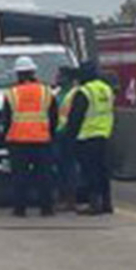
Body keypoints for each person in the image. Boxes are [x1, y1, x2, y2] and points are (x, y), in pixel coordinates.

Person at [1, 56, 58, 218]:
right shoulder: (46, 92)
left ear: (18, 74)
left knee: (20, 177)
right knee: (44, 177)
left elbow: (6, 118)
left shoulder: (12, 93)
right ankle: (46, 209)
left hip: (18, 142)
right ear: (33, 72)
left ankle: (20, 209)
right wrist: (50, 135)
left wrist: (6, 138)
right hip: (42, 141)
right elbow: (54, 117)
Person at [63, 61, 116, 214]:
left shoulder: (84, 92)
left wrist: (69, 137)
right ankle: (107, 203)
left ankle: (94, 204)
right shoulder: (106, 89)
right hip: (104, 135)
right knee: (102, 171)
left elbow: (75, 117)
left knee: (90, 171)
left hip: (87, 136)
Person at [52, 66, 81, 209]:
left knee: (69, 168)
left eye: (59, 75)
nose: (56, 78)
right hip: (58, 135)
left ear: (68, 78)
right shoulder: (57, 93)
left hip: (69, 135)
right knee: (59, 168)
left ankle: (70, 199)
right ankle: (62, 197)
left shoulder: (75, 93)